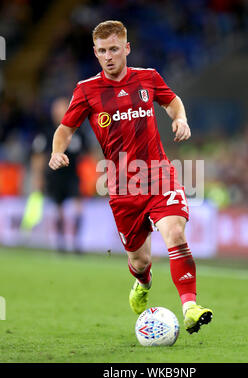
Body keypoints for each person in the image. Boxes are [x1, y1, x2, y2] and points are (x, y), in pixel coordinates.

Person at [48, 20, 213, 333]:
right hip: (123, 186)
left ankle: (190, 307)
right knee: (139, 260)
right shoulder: (87, 90)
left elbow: (172, 101)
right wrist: (58, 151)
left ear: (126, 48)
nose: (108, 56)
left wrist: (181, 119)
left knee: (175, 234)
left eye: (113, 49)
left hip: (159, 175)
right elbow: (65, 129)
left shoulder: (148, 78)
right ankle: (143, 282)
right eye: (101, 51)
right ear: (95, 54)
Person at [31, 97, 86, 253]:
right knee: (58, 210)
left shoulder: (78, 130)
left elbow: (87, 153)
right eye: (57, 109)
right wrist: (38, 176)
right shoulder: (47, 132)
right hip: (54, 177)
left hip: (72, 176)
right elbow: (38, 155)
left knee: (77, 208)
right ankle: (61, 244)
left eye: (63, 108)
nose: (60, 112)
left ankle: (76, 243)